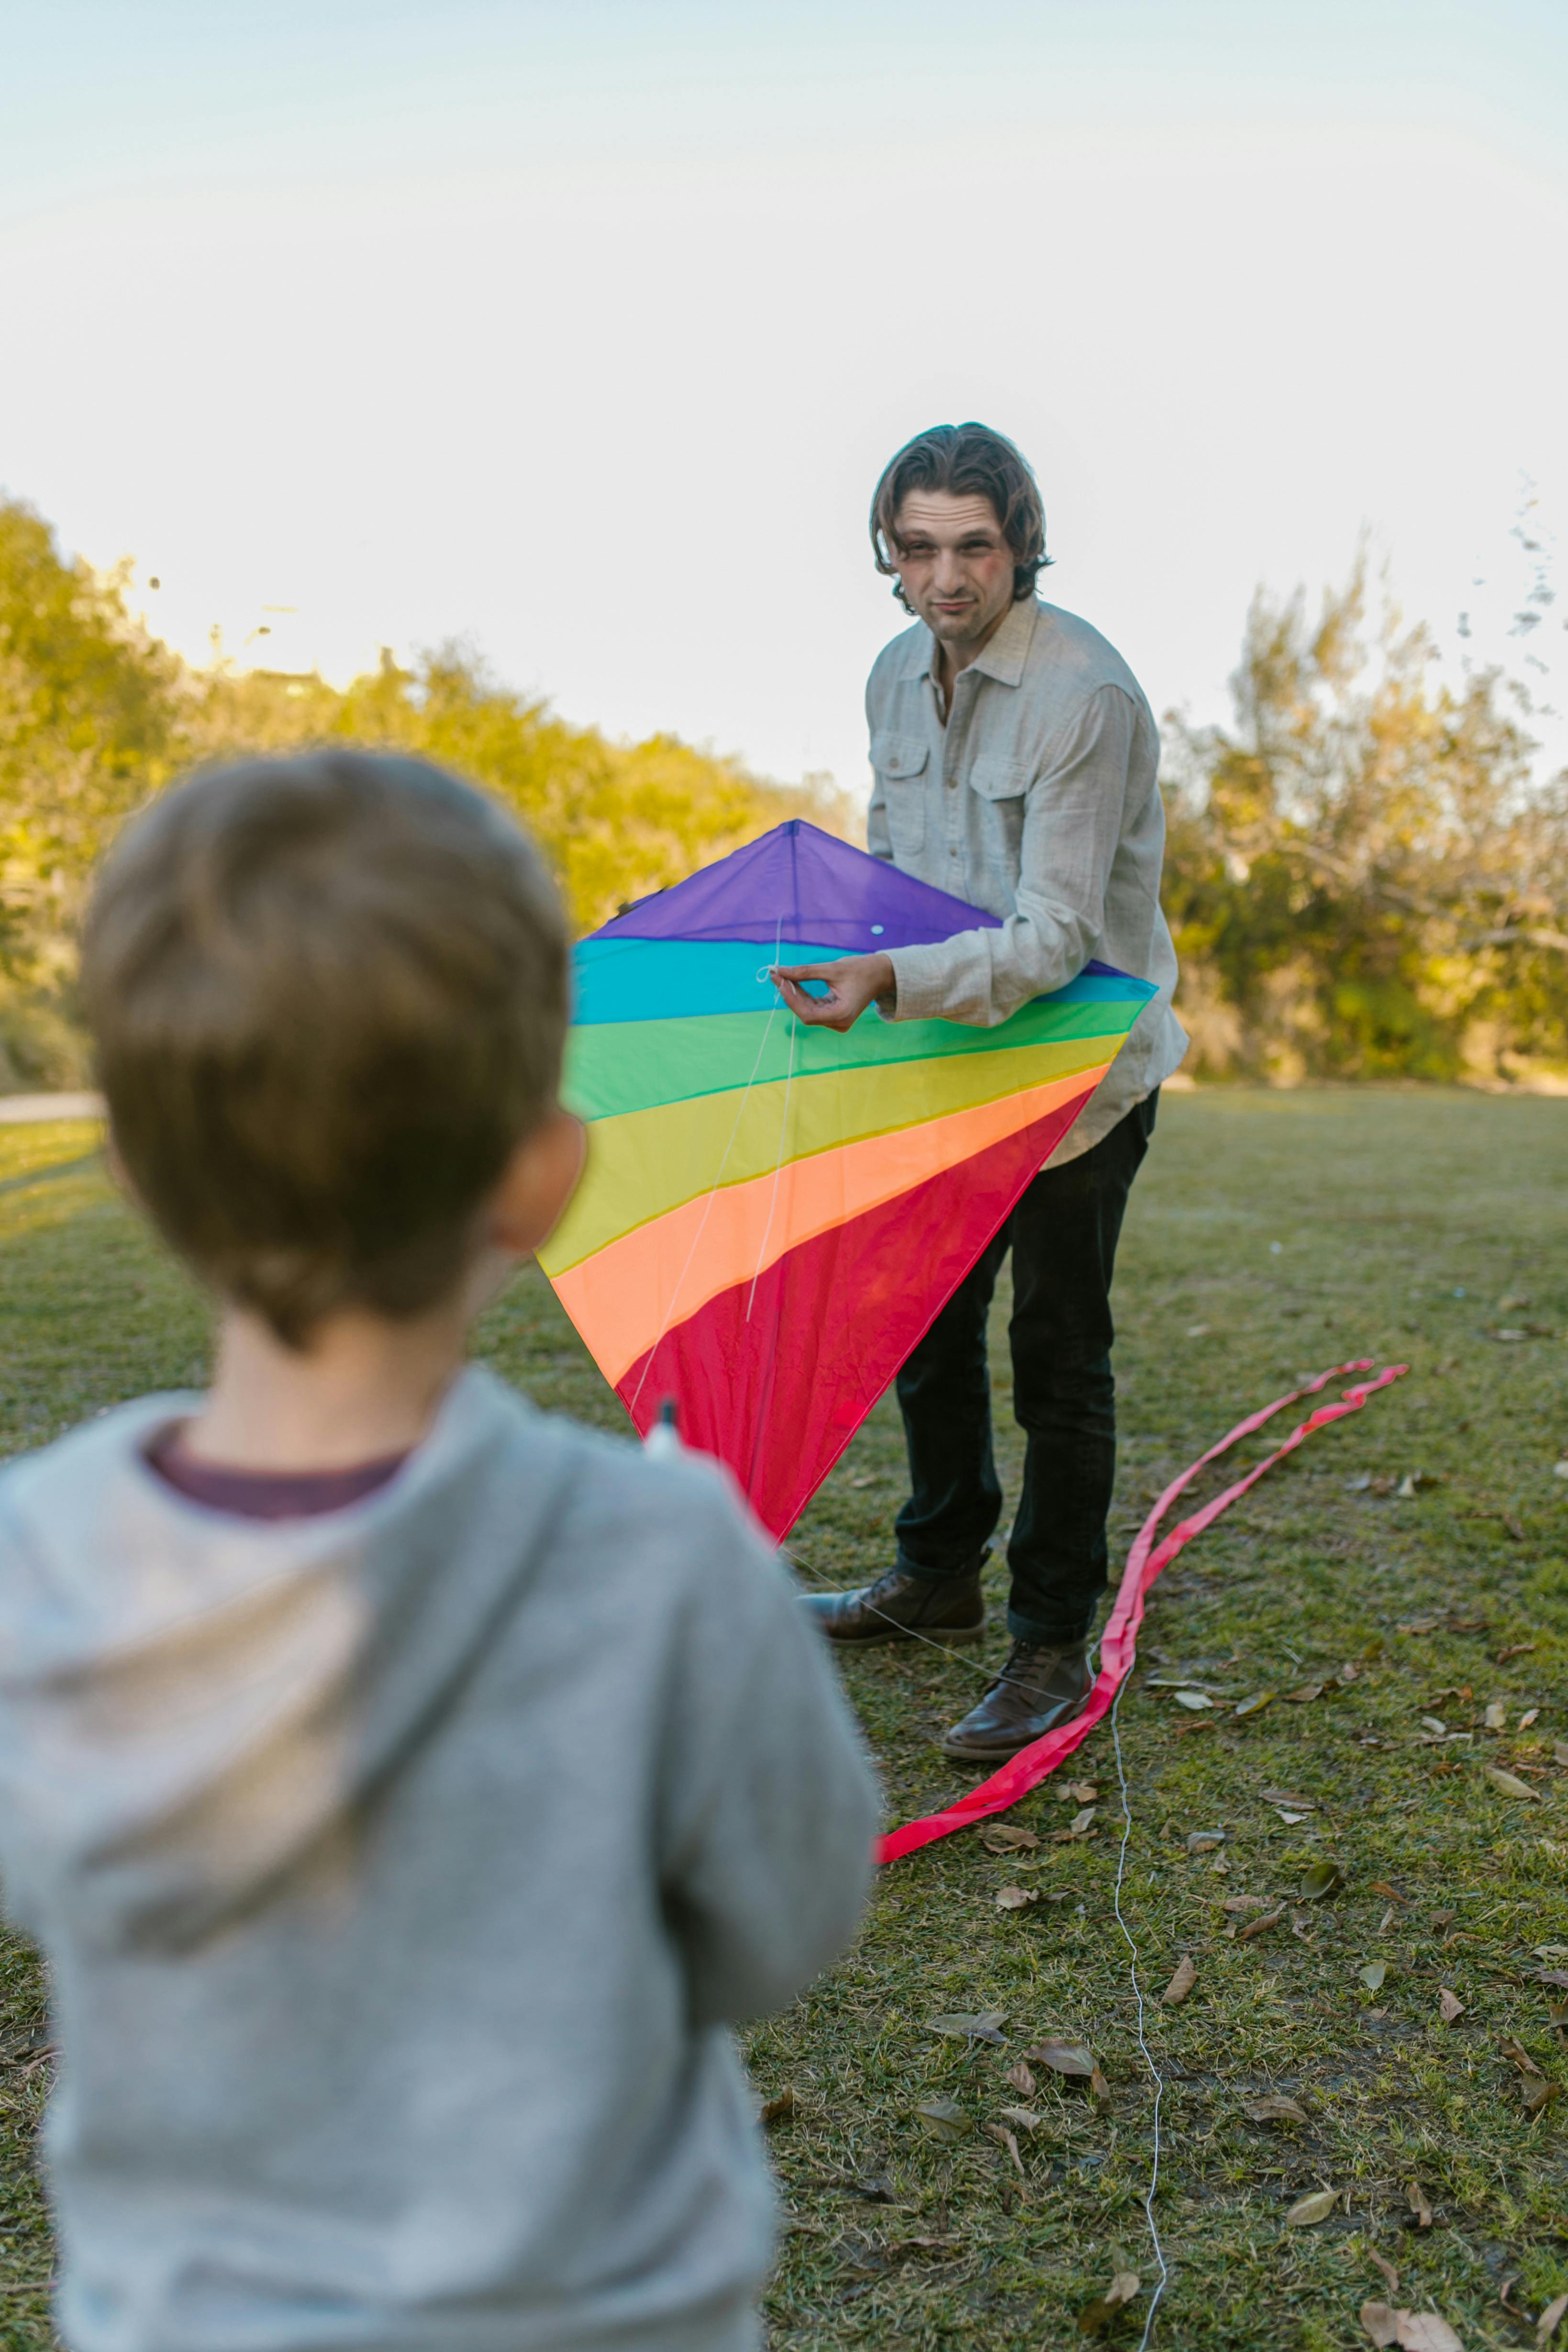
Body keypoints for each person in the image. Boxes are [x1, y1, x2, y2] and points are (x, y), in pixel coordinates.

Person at [0, 752, 877, 2352]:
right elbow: (790, 1920)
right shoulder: (673, 1558)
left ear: (130, 1171)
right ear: (542, 1177)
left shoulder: (34, 1565)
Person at [775, 422, 1186, 1764]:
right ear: (888, 553)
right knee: (924, 1325)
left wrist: (888, 977)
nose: (944, 577)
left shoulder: (1087, 695)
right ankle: (938, 1572)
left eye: (973, 547)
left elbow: (1054, 935)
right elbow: (899, 856)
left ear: (1021, 546)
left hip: (1078, 1076)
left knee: (1056, 1360)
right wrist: (853, 958)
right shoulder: (896, 673)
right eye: (917, 548)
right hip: (946, 1057)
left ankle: (1048, 1642)